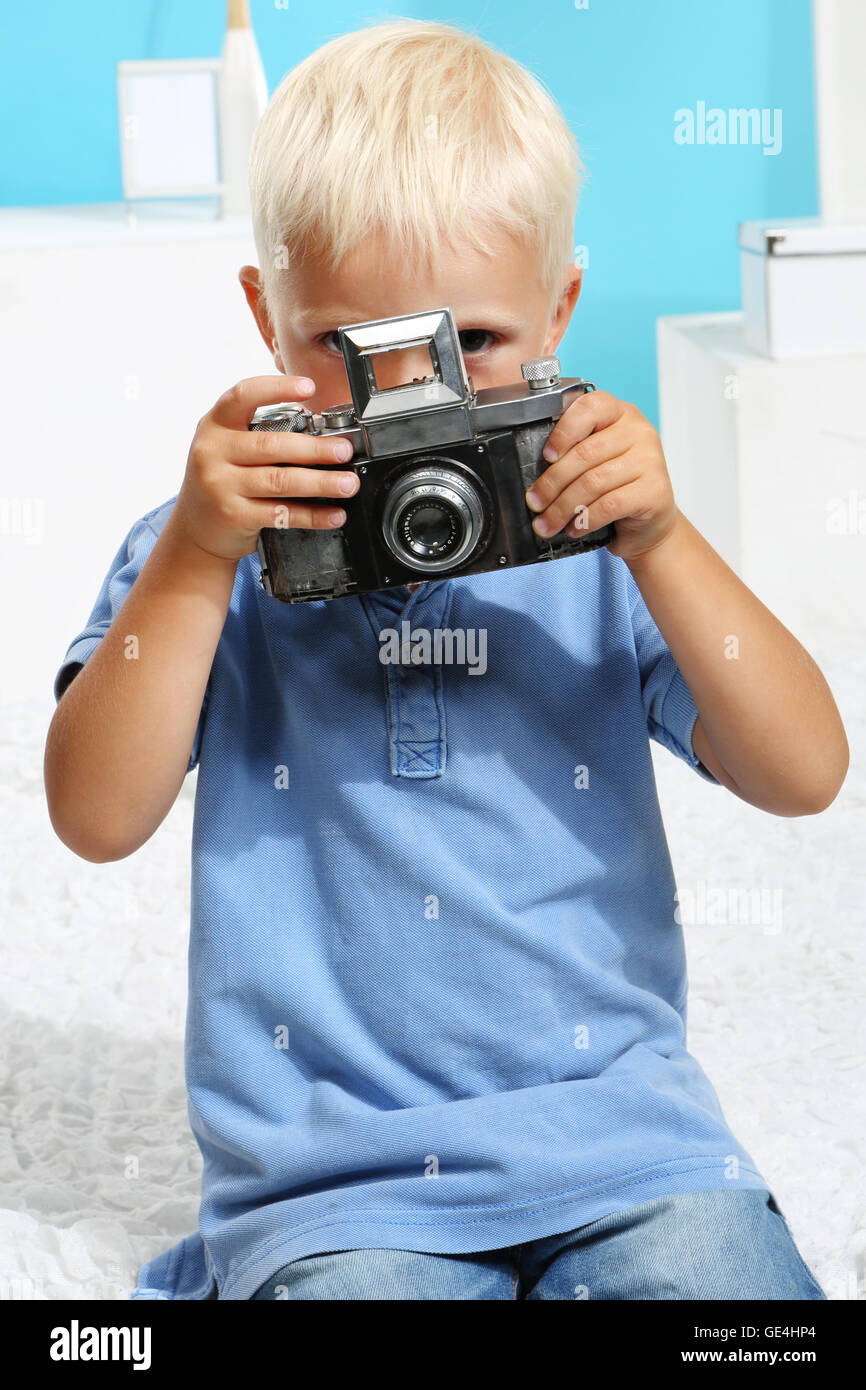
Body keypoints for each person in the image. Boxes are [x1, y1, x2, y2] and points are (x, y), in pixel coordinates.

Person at [44, 18, 846, 1301]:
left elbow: (807, 771)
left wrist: (664, 539)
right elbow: (90, 815)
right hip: (337, 1183)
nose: (411, 405)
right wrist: (196, 559)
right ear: (264, 315)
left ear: (558, 312)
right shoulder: (207, 551)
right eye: (349, 352)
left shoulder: (589, 533)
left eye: (470, 346)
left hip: (624, 1143)